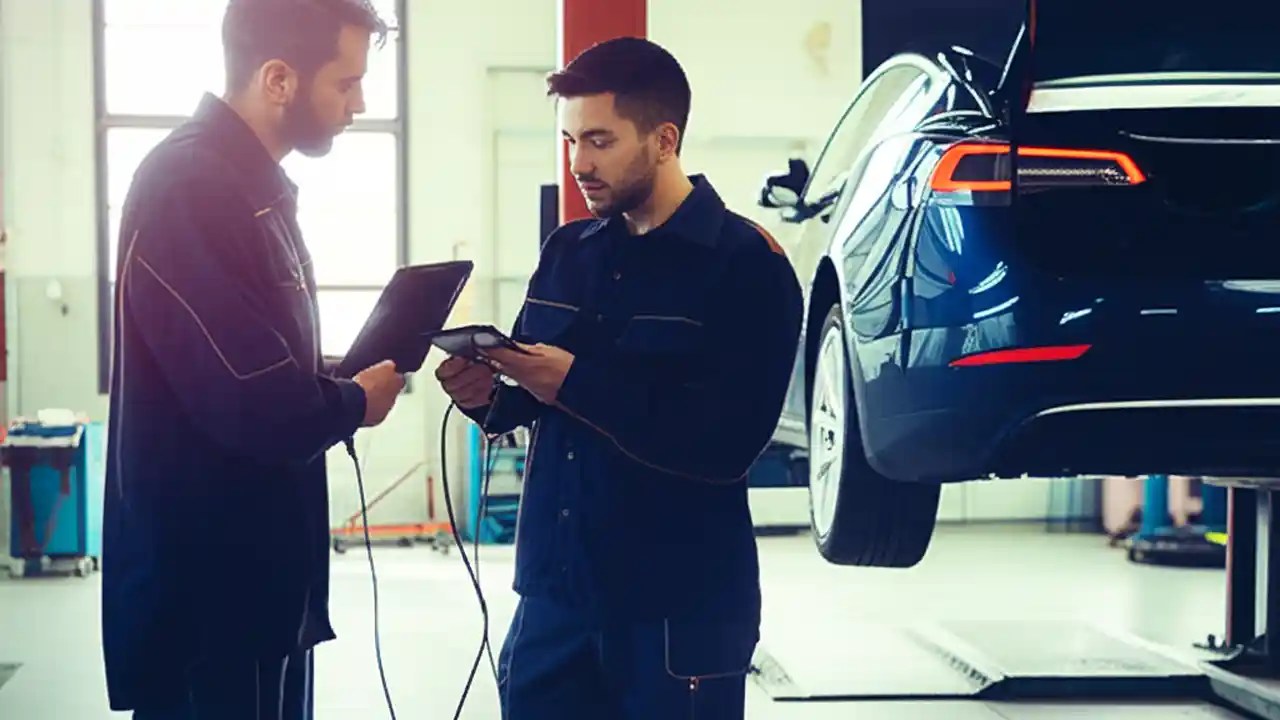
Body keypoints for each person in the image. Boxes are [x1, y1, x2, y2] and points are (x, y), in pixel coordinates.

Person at [436, 37, 804, 719]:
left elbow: (727, 444)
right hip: (553, 602)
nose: (579, 163)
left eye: (600, 141)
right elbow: (535, 401)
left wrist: (571, 382)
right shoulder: (568, 251)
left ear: (664, 140)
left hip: (676, 614)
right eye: (572, 140)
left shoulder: (747, 266)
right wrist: (489, 398)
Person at [101, 1, 404, 718]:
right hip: (209, 604)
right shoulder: (191, 187)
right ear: (278, 79)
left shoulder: (248, 187)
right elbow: (247, 401)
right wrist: (355, 401)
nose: (359, 103)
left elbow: (251, 356)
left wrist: (340, 373)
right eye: (347, 82)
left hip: (259, 588)